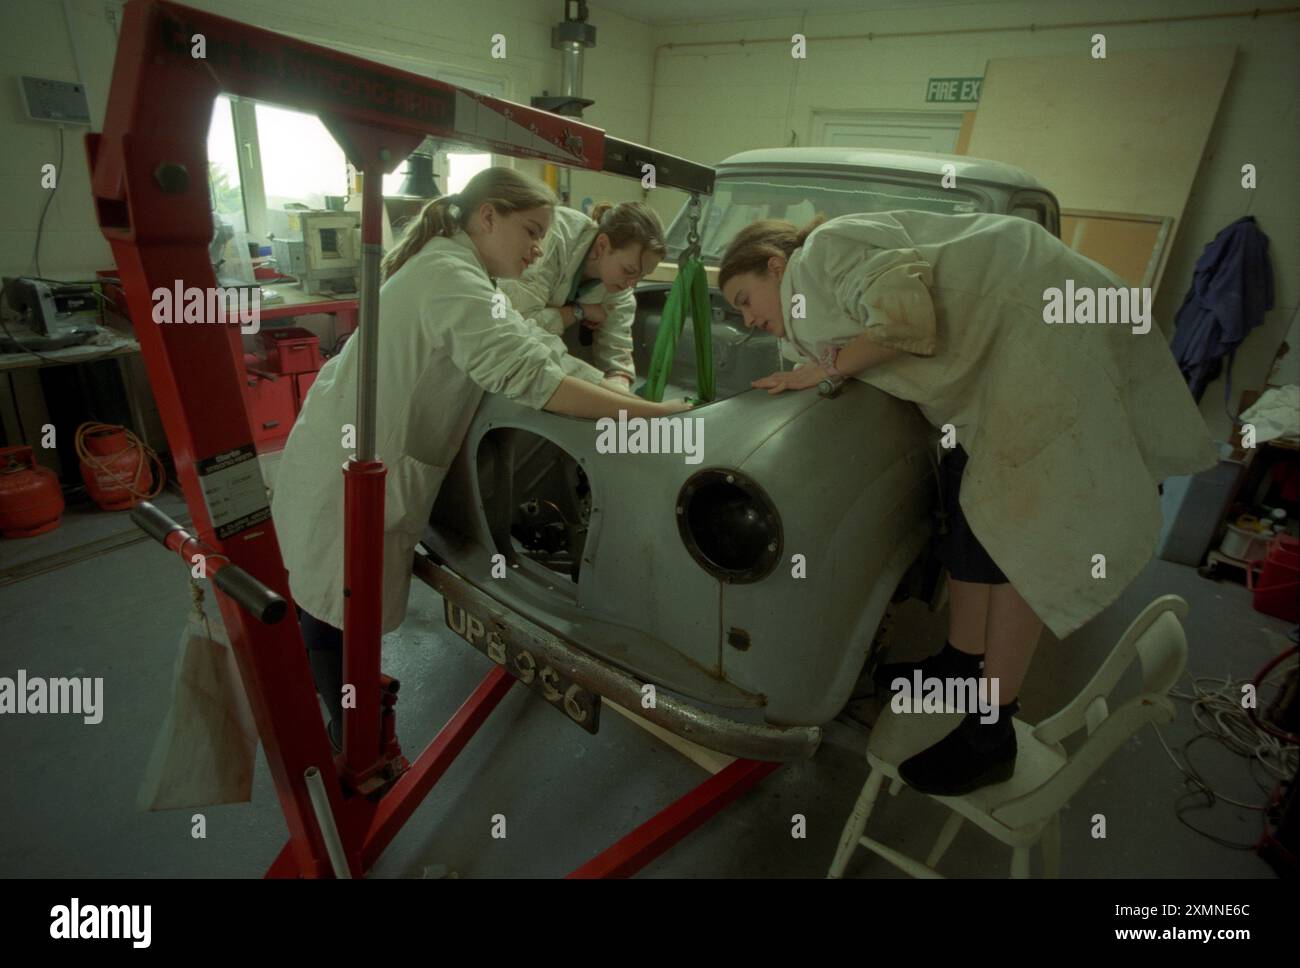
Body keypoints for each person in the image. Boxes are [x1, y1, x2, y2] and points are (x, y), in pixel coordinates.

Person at [718, 210, 1217, 795]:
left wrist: (823, 369)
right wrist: (821, 368)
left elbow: (905, 317)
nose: (749, 319)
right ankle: (961, 662)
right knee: (963, 497)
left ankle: (991, 731)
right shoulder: (809, 306)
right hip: (1001, 360)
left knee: (1015, 533)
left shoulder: (825, 250)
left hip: (1046, 332)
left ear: (776, 265)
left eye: (745, 298)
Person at [270, 167, 689, 750]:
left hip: (352, 445)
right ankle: (354, 738)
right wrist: (654, 418)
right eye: (531, 231)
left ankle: (350, 714)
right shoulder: (450, 277)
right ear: (487, 216)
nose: (540, 248)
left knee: (334, 595)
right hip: (352, 460)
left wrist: (624, 394)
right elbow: (528, 374)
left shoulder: (464, 272)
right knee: (331, 600)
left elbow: (534, 348)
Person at [499, 201, 665, 393]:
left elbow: (617, 354)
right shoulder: (552, 238)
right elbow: (517, 327)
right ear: (603, 245)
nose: (632, 285)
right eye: (629, 271)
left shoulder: (621, 287)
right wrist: (579, 311)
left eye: (641, 276)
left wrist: (619, 385)